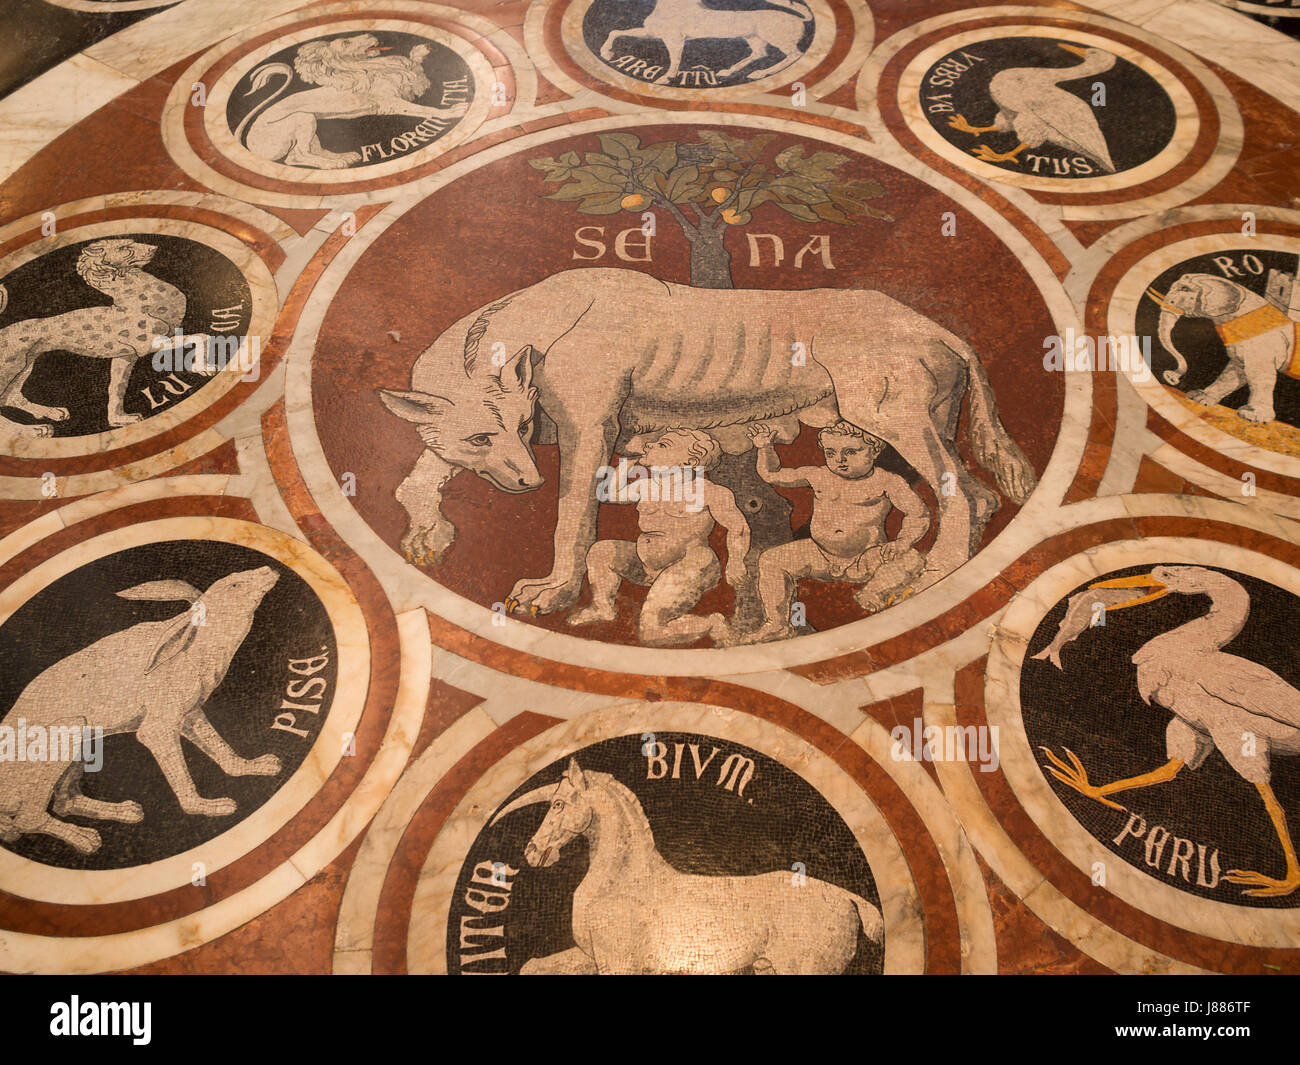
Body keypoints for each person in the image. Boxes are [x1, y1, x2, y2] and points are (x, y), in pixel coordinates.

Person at [741, 420, 929, 642]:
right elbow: (771, 474)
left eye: (850, 452)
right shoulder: (819, 475)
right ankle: (777, 624)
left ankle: (874, 592)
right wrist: (764, 448)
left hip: (867, 557)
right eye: (831, 453)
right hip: (819, 554)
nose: (839, 460)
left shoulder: (887, 481)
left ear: (874, 451)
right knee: (770, 560)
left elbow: (918, 514)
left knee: (912, 558)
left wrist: (903, 541)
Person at [569, 428, 750, 646]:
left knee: (651, 633)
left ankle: (711, 623)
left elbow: (738, 527)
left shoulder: (708, 490)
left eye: (662, 445)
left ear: (689, 461)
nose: (650, 446)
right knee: (602, 551)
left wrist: (736, 562)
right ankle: (602, 606)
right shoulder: (646, 485)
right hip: (645, 563)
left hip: (690, 564)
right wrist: (627, 462)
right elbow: (609, 494)